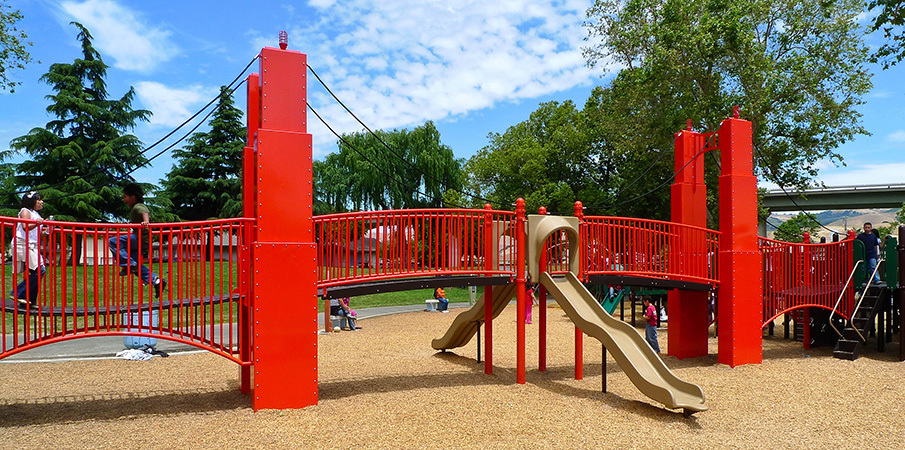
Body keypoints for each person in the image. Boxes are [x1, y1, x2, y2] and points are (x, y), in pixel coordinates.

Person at [109, 183, 166, 297]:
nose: (124, 200)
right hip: (143, 241)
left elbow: (144, 212)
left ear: (133, 197)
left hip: (140, 239)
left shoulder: (138, 206)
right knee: (135, 267)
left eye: (125, 196)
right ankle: (156, 281)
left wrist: (146, 222)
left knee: (113, 241)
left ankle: (128, 264)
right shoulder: (136, 207)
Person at [10, 191, 50, 307]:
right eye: (39, 200)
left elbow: (37, 234)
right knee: (39, 270)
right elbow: (25, 226)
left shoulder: (37, 215)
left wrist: (46, 231)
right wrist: (38, 224)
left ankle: (29, 300)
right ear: (32, 201)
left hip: (32, 245)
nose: (41, 202)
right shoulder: (25, 211)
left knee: (37, 271)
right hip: (23, 244)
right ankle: (17, 293)